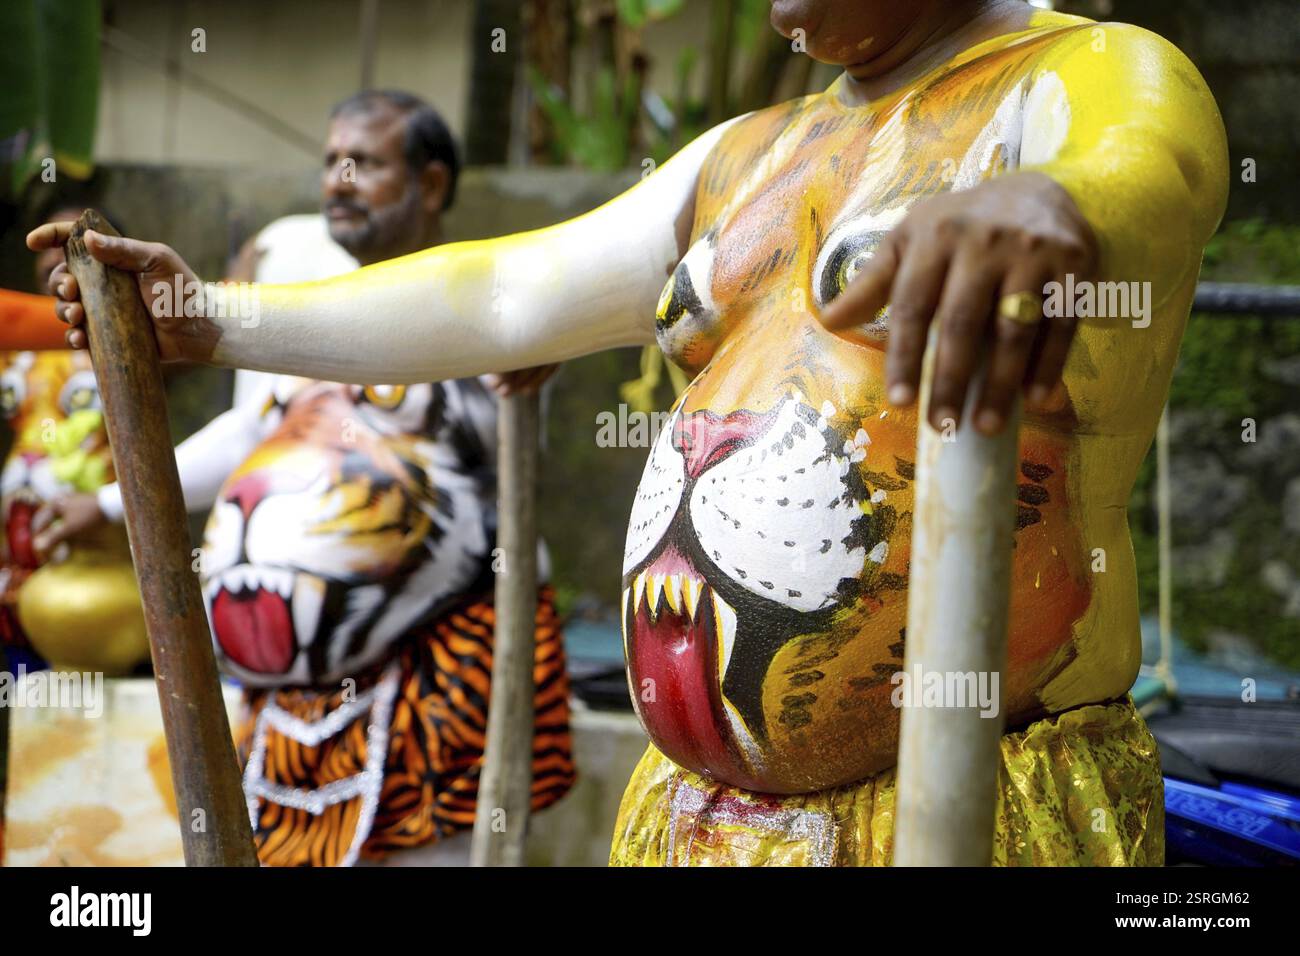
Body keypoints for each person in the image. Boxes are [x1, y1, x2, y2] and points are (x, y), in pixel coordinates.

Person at [35, 1, 1228, 866]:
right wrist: (212, 318)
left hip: (969, 809)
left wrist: (1054, 205)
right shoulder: (744, 154)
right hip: (692, 816)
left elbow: (1152, 171)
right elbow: (508, 294)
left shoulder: (1087, 75)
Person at [36, 91, 574, 866]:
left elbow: (460, 349)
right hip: (289, 704)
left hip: (441, 691)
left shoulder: (498, 306)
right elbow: (248, 434)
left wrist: (222, 317)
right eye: (329, 161)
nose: (339, 180)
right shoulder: (303, 311)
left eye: (367, 163)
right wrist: (106, 503)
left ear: (429, 185)